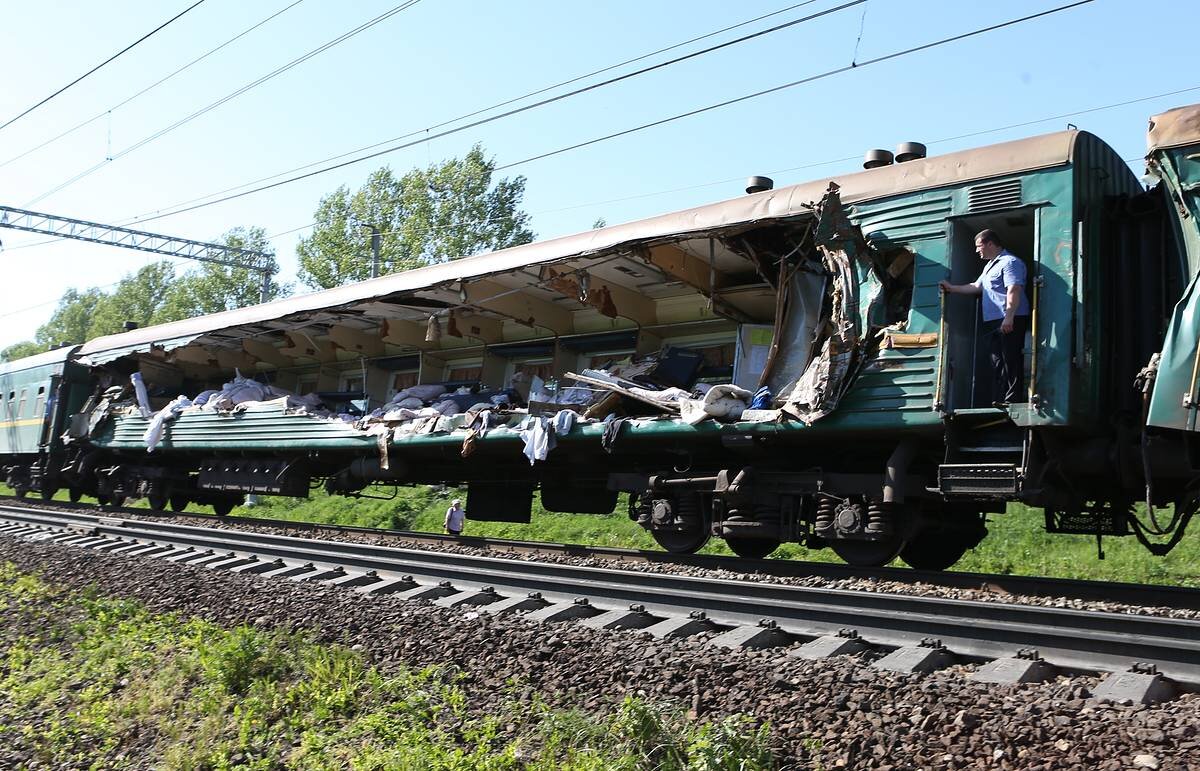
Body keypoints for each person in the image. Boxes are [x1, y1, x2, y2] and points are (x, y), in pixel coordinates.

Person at [938, 229, 1031, 404]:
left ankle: (1013, 399)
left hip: (1010, 317)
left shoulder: (1010, 262)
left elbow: (1014, 289)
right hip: (994, 320)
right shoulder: (989, 266)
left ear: (990, 244)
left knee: (1011, 358)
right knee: (997, 361)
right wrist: (951, 288)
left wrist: (1009, 316)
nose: (976, 250)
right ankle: (1001, 398)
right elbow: (976, 286)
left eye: (978, 246)